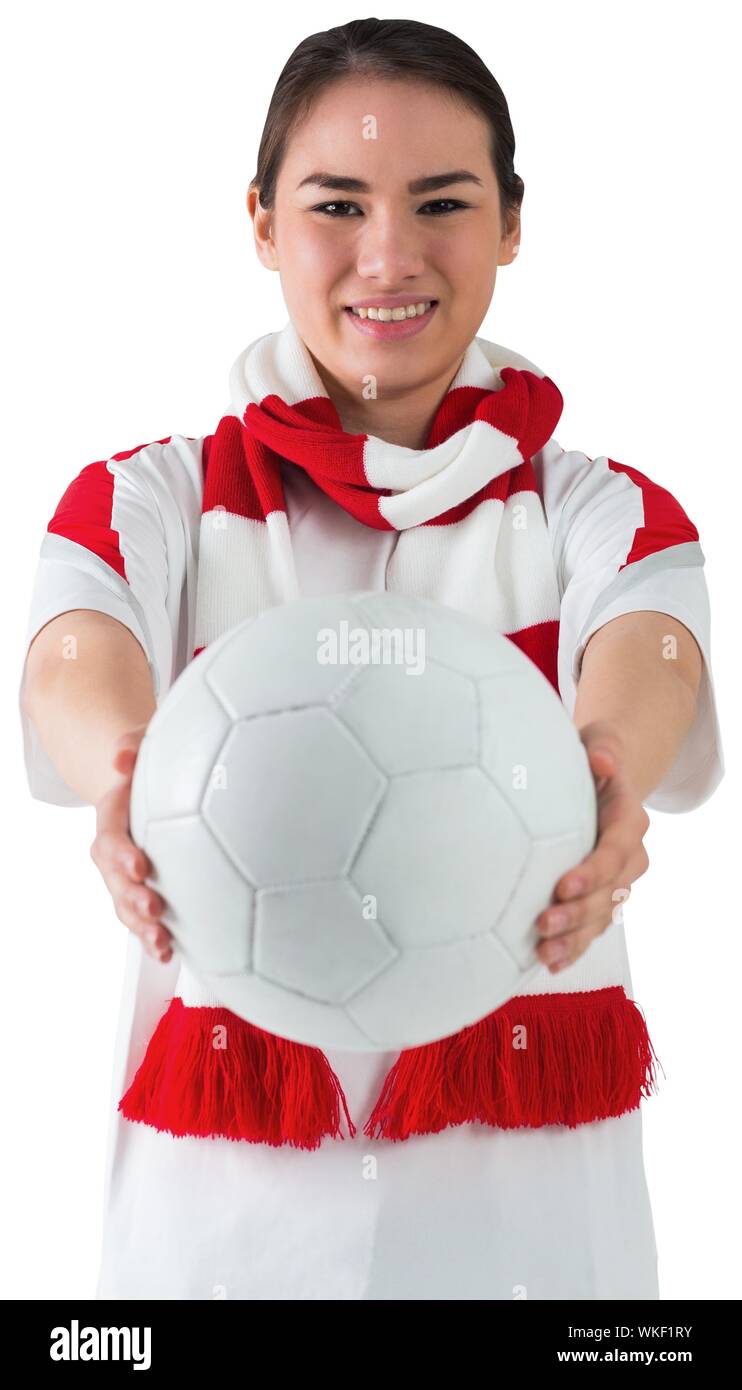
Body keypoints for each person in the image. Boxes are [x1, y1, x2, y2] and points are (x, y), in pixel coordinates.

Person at [19, 18, 724, 1300]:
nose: (386, 256)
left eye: (441, 203)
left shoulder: (604, 510)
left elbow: (650, 644)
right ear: (260, 221)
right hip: (218, 1250)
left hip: (535, 1252)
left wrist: (614, 759)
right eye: (335, 204)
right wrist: (127, 767)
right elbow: (77, 647)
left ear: (512, 223)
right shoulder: (147, 497)